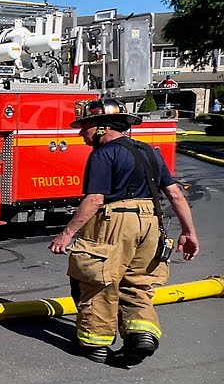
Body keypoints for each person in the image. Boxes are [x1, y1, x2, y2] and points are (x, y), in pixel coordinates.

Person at [48, 97, 199, 365]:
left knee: (98, 281)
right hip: (150, 222)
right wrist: (189, 232)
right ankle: (142, 336)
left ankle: (95, 345)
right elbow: (174, 194)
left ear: (103, 127)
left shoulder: (103, 153)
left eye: (86, 126)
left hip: (115, 222)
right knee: (137, 283)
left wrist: (67, 234)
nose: (82, 133)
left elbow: (95, 199)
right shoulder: (149, 151)